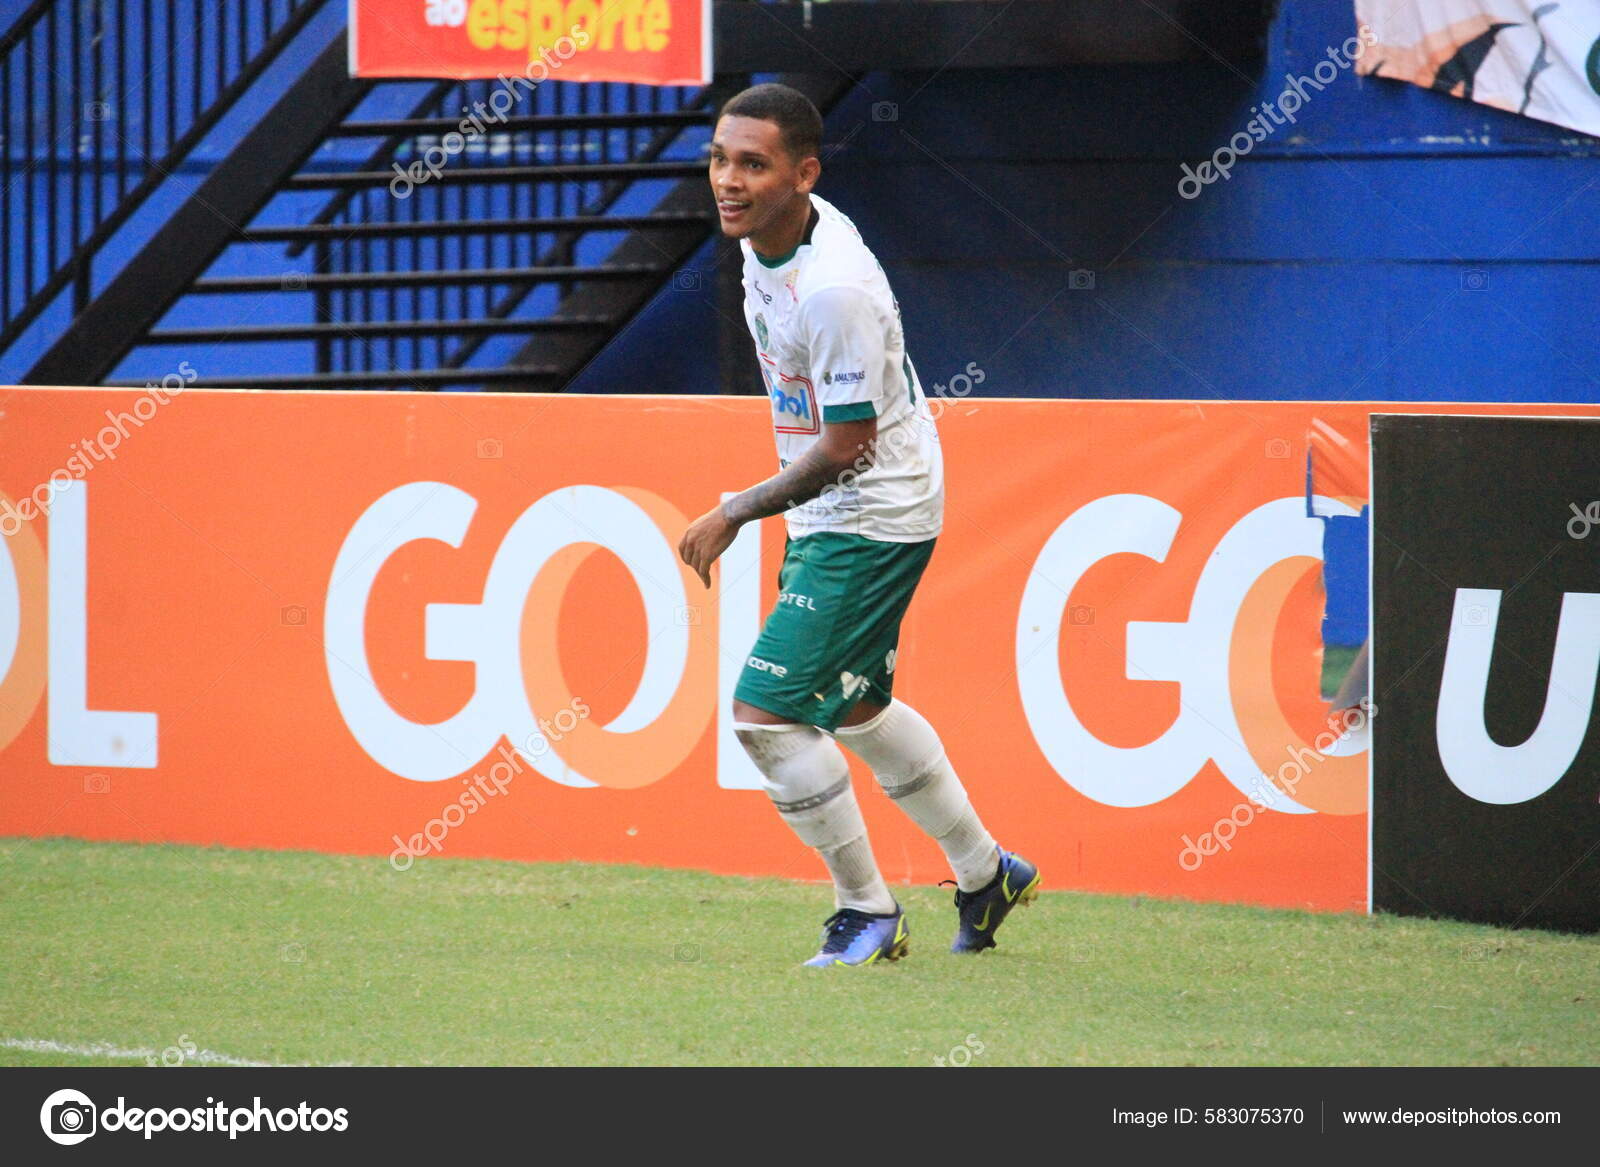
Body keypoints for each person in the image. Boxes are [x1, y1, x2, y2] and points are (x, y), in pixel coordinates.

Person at [677, 83, 1039, 967]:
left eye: (752, 165)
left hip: (870, 510)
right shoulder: (775, 233)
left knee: (766, 712)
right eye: (720, 158)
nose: (728, 179)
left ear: (805, 173)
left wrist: (733, 510)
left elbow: (846, 445)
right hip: (841, 503)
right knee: (858, 704)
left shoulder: (832, 288)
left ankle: (866, 913)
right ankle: (987, 870)